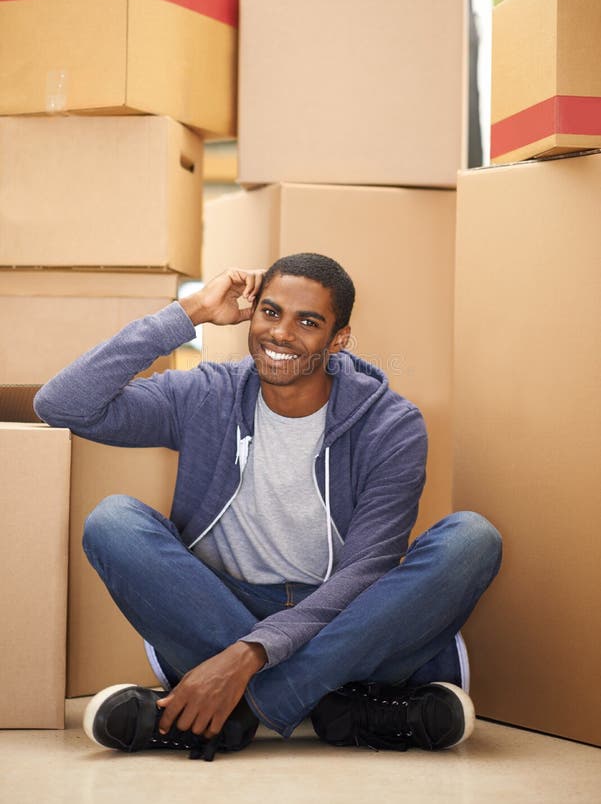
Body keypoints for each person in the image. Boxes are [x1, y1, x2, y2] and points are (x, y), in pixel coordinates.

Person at [34, 253, 502, 762]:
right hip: (224, 609)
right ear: (250, 313)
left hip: (339, 615)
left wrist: (245, 657)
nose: (281, 333)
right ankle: (341, 707)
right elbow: (63, 404)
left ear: (339, 338)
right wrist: (188, 312)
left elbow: (366, 572)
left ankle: (241, 711)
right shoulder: (206, 394)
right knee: (113, 522)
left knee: (472, 539)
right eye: (271, 312)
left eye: (308, 321)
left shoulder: (390, 425)